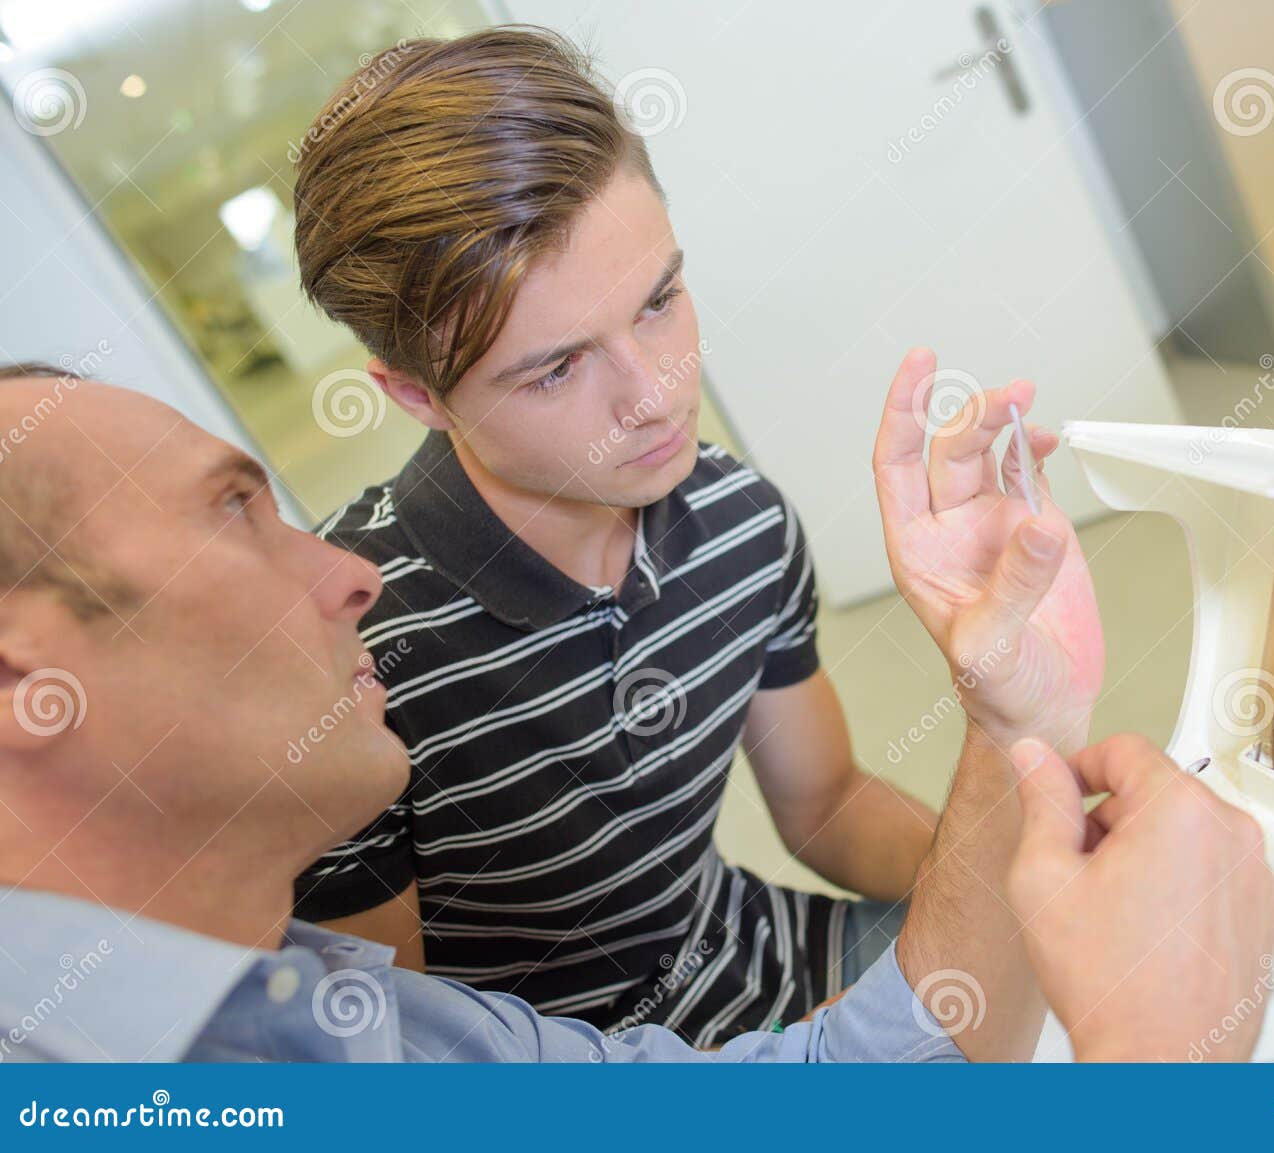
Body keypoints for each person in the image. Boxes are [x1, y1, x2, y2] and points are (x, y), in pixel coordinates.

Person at [0, 360, 1274, 1061]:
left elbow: (824, 844)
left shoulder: (348, 1011)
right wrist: (1166, 1058)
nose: (348, 575)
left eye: (661, 299)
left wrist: (1018, 727)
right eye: (232, 512)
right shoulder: (379, 715)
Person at [287, 25, 951, 1044]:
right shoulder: (340, 658)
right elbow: (408, 1058)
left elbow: (827, 802)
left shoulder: (741, 521)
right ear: (415, 395)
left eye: (658, 302)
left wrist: (1021, 876)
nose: (655, 397)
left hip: (779, 969)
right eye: (556, 369)